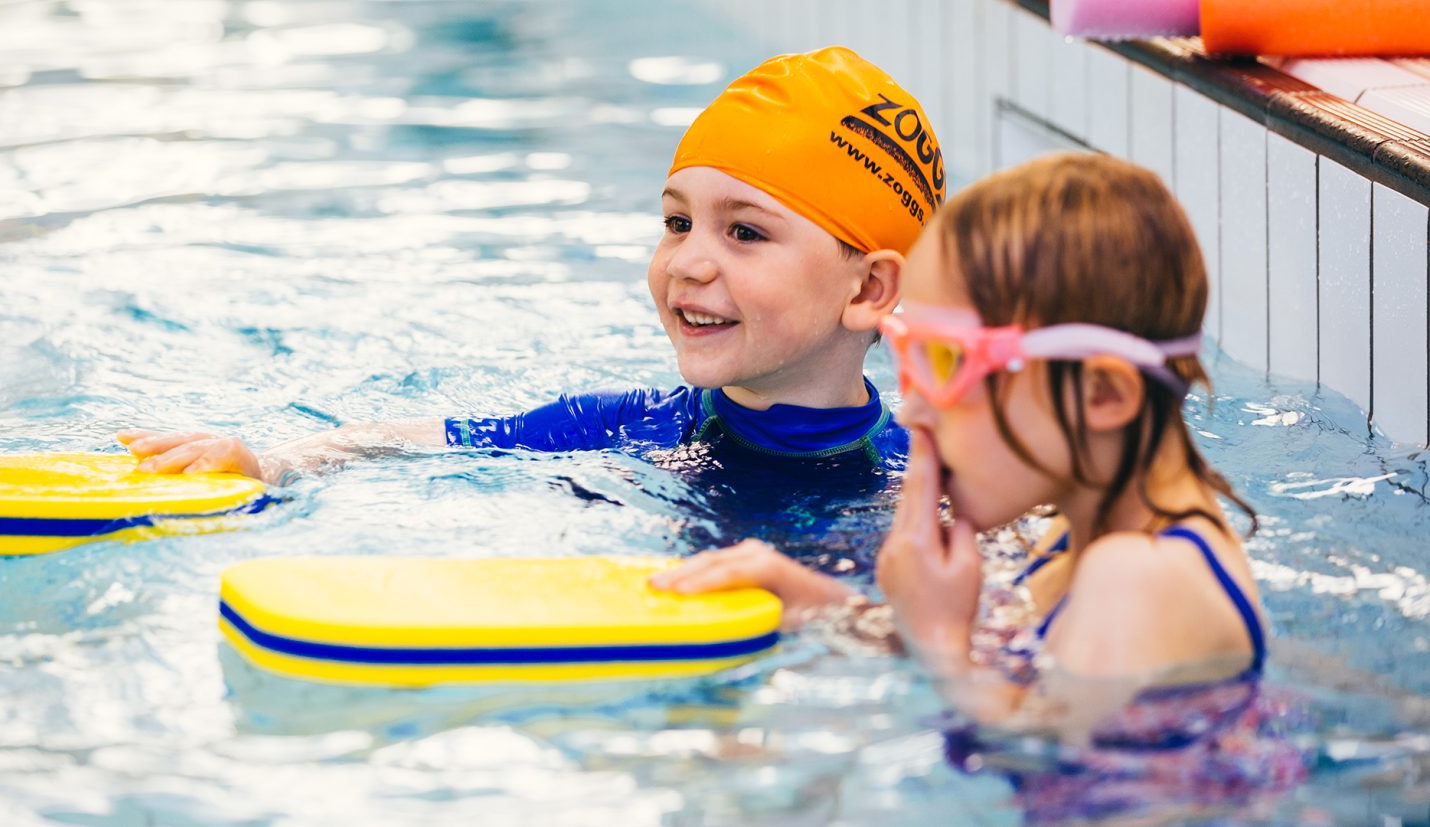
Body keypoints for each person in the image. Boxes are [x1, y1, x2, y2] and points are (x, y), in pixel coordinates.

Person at [119, 47, 944, 492]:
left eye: (747, 234)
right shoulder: (624, 428)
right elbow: (415, 444)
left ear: (869, 288)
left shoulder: (943, 469)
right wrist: (269, 463)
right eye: (677, 221)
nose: (688, 261)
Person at [652, 153, 1271, 734]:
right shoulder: (1079, 534)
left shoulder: (1137, 576)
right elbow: (1017, 693)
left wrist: (940, 648)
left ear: (1103, 395)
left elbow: (1051, 760)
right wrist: (830, 608)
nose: (915, 407)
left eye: (949, 363)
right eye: (911, 359)